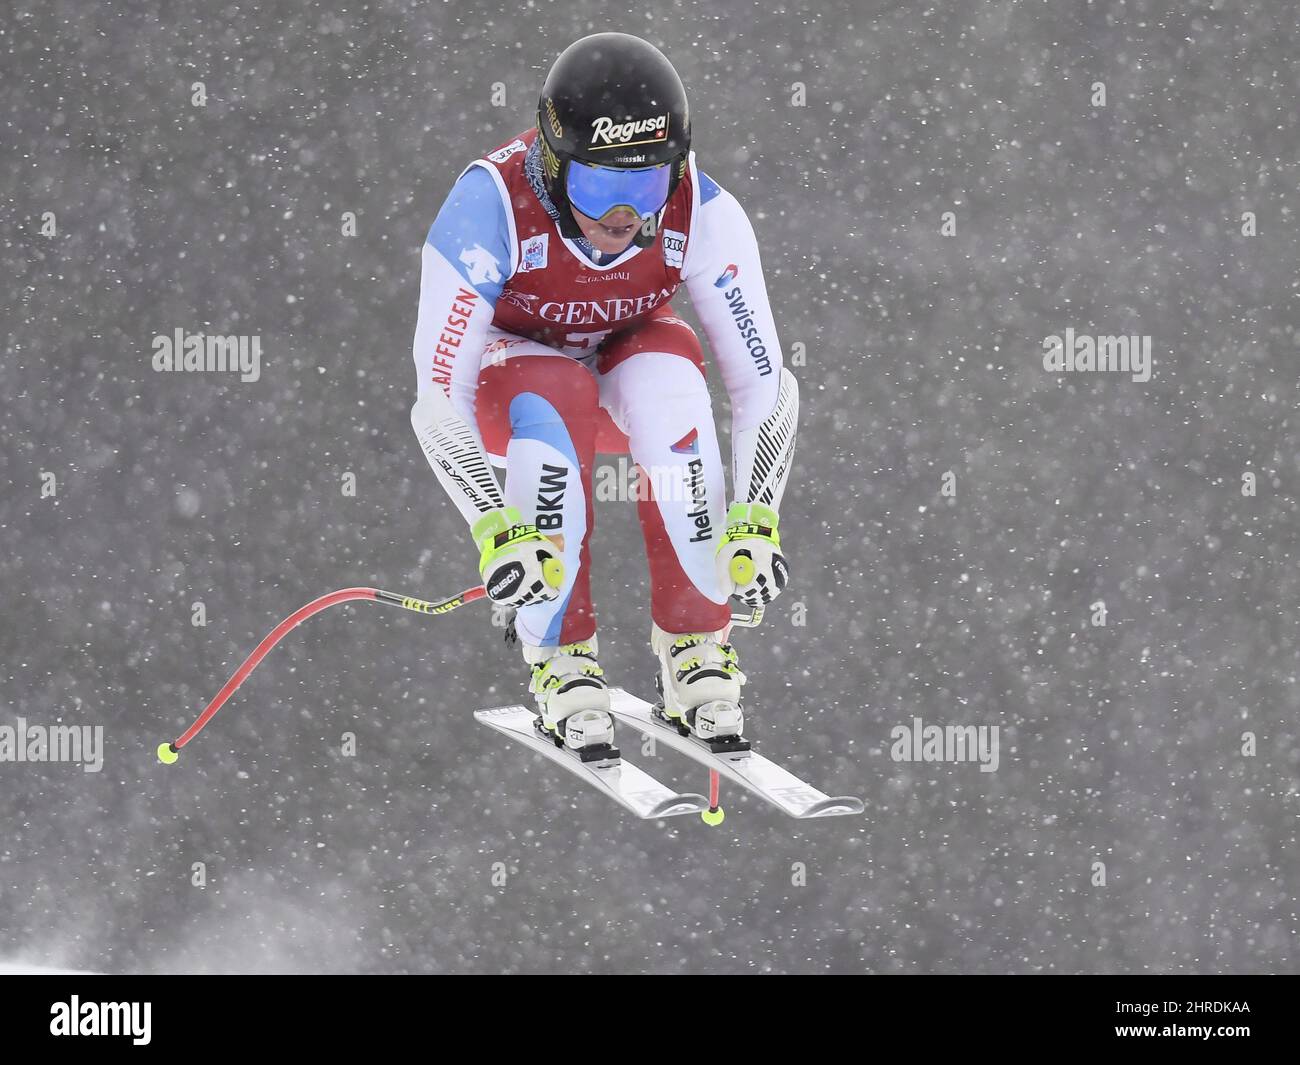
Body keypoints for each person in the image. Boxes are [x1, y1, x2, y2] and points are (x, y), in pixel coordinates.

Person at [410, 32, 797, 755]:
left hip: (618, 354)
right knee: (555, 391)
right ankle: (559, 655)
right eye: (599, 187)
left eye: (646, 184)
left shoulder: (700, 211)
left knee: (674, 377)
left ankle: (697, 649)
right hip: (513, 377)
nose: (623, 219)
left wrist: (756, 516)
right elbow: (438, 397)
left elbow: (763, 383)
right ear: (553, 165)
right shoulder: (489, 208)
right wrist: (495, 527)